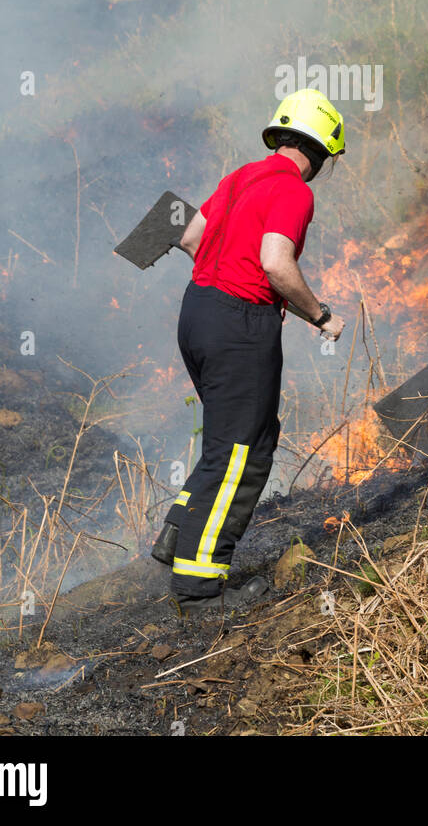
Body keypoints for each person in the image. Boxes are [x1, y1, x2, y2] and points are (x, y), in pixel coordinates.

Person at [151, 88, 346, 611]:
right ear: (321, 151)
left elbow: (191, 235)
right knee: (239, 452)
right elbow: (276, 263)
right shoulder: (294, 191)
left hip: (198, 311)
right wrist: (321, 316)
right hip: (240, 323)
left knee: (243, 441)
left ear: (279, 135)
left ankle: (177, 536)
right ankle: (198, 589)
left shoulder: (239, 176)